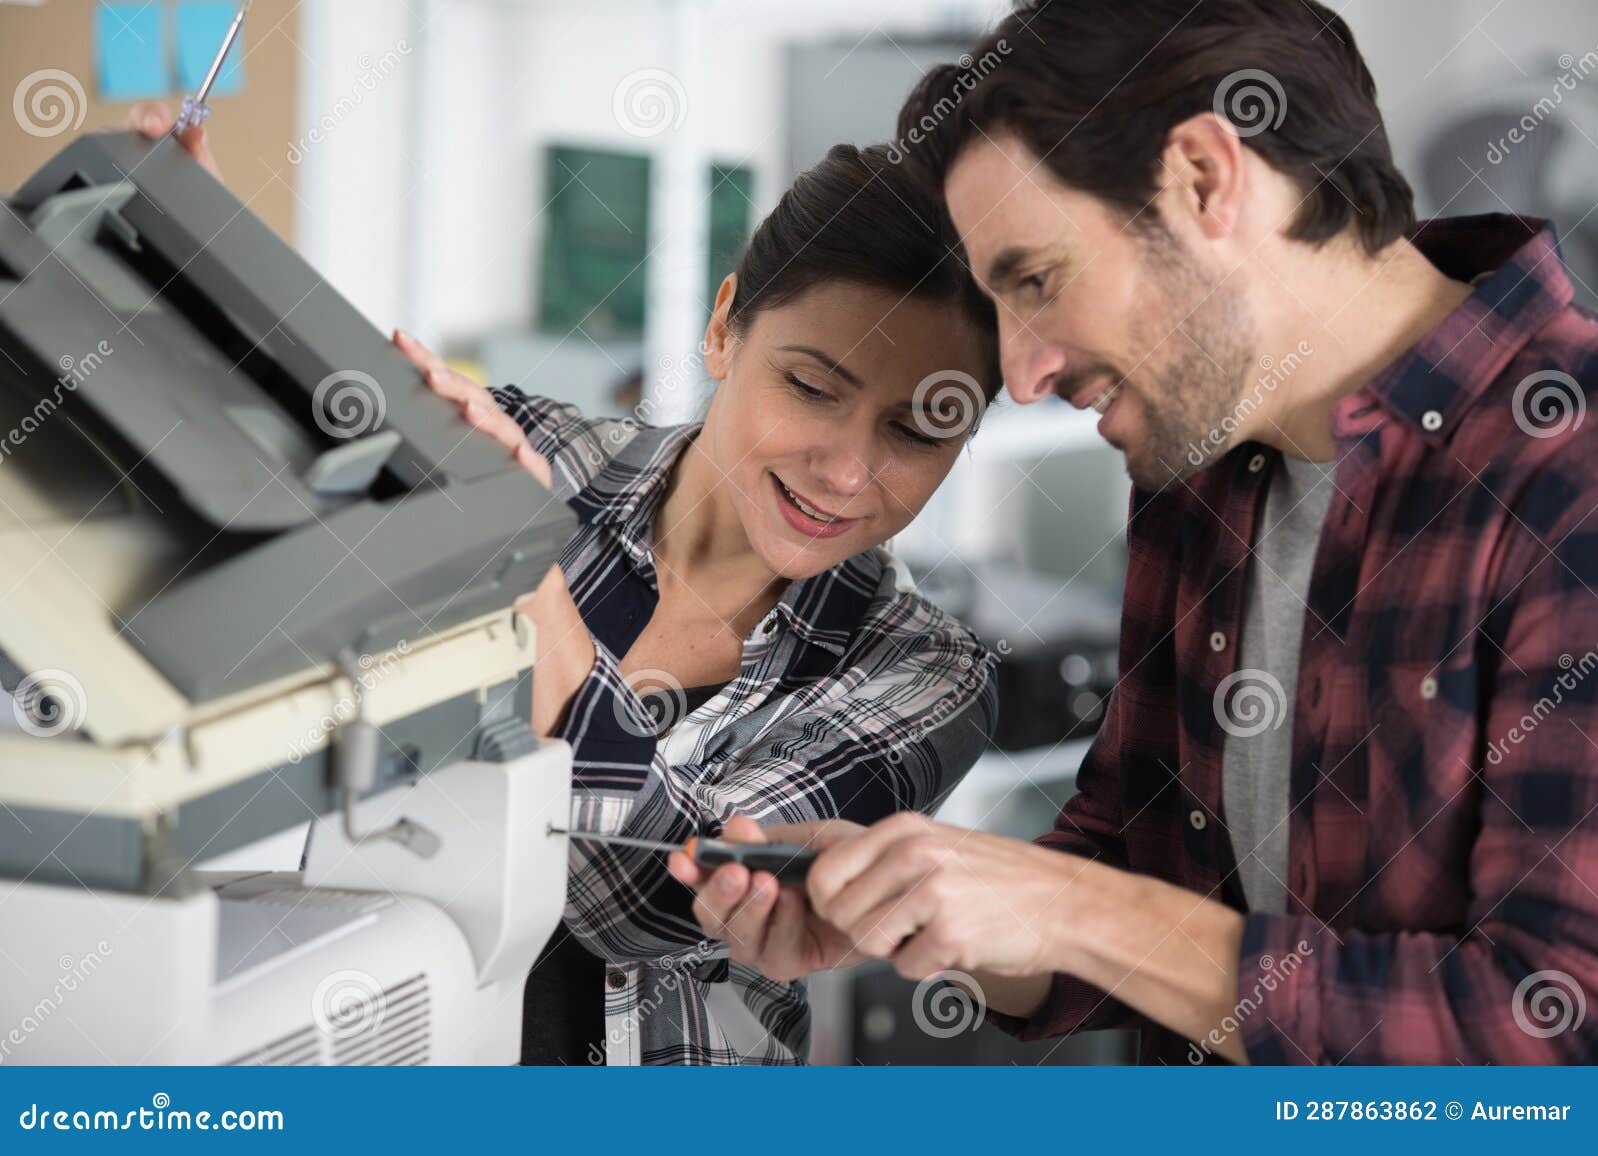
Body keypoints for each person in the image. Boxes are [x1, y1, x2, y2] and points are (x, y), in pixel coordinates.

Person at [675, 0, 1598, 1065]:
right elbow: (1138, 867)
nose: (1019, 373)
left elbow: (1546, 1039)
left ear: (1205, 178)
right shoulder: (1199, 458)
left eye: (1034, 280)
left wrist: (1068, 906)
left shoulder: (1566, 473)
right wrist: (916, 905)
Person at [135, 103, 1002, 1064]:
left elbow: (664, 903)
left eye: (916, 433)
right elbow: (272, 474)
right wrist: (201, 288)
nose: (845, 472)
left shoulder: (927, 675)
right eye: (811, 388)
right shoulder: (531, 452)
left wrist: (522, 578)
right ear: (723, 330)